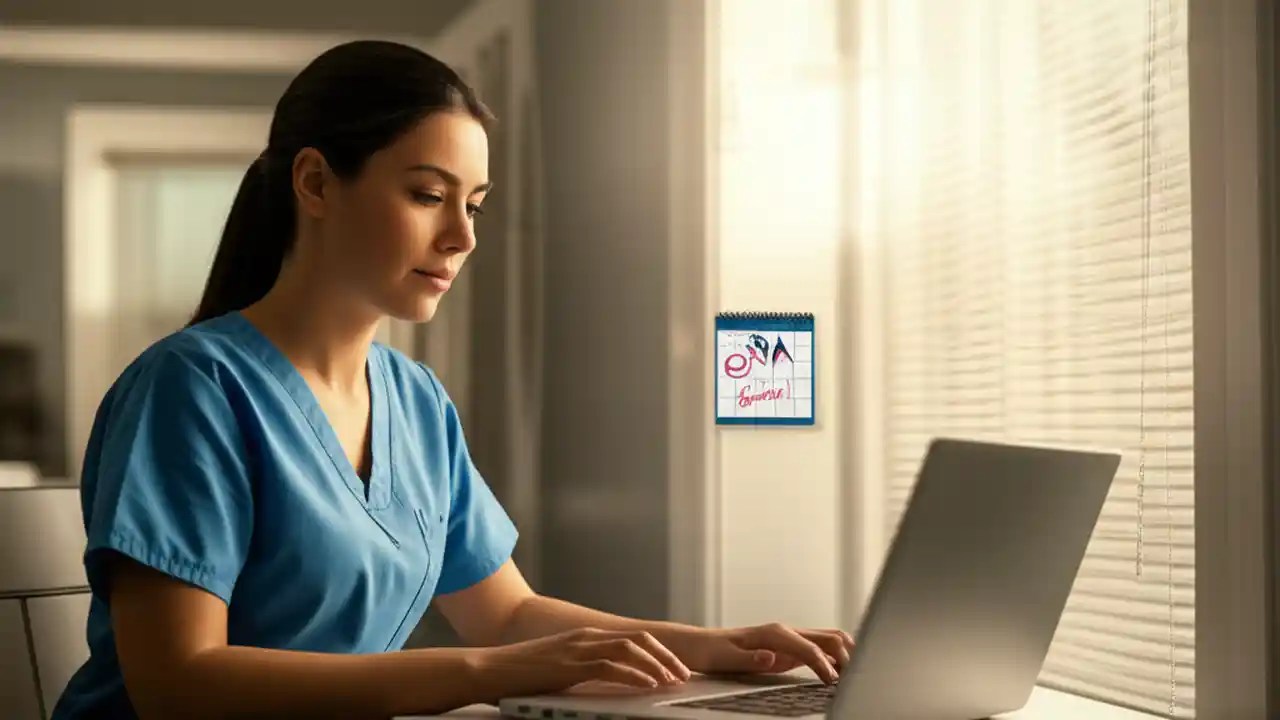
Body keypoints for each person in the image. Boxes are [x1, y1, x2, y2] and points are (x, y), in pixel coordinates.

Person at [52, 40, 853, 720]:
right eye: (428, 195)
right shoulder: (193, 390)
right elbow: (177, 683)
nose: (462, 236)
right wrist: (489, 676)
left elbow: (505, 611)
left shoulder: (415, 401)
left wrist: (713, 645)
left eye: (475, 203)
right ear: (316, 183)